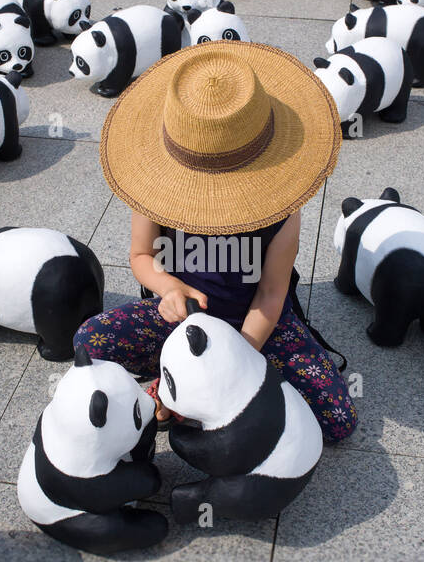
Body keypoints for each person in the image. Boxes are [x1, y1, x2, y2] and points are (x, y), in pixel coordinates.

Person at [73, 41, 358, 443]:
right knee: (88, 341)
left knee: (337, 419)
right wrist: (169, 289)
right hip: (176, 318)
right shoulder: (153, 190)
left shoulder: (282, 209)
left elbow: (272, 294)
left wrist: (233, 360)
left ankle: (194, 386)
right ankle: (177, 376)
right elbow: (140, 256)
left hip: (254, 326)